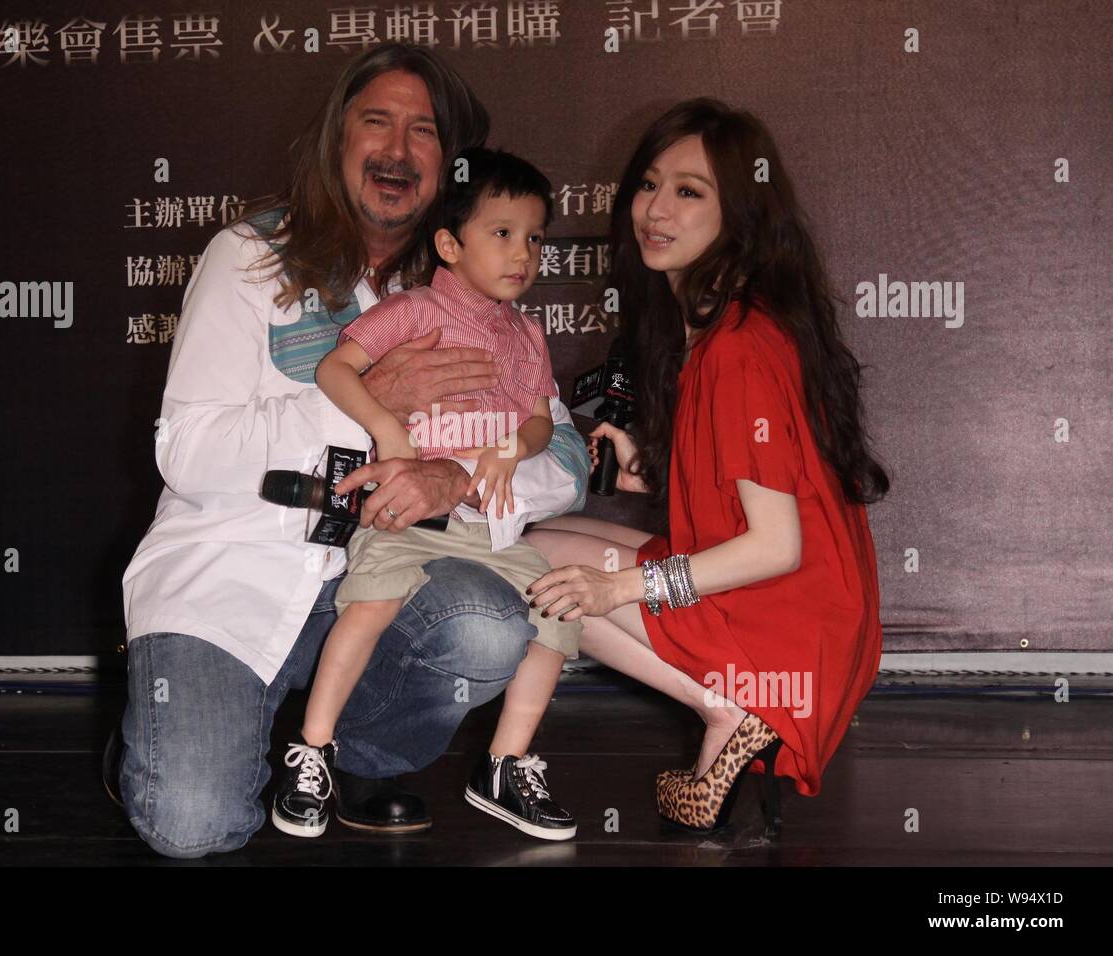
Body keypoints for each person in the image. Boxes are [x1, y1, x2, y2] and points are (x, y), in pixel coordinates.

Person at [114, 44, 590, 858]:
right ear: (338, 140)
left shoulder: (473, 286)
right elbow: (187, 448)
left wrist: (458, 475)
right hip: (237, 573)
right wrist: (370, 413)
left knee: (487, 625)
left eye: (424, 131)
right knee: (190, 822)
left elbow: (566, 462)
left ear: (452, 167)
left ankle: (360, 757)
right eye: (377, 123)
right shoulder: (250, 256)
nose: (398, 149)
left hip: (384, 574)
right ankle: (194, 733)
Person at [522, 98, 888, 833]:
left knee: (537, 564)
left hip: (789, 617)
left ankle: (728, 707)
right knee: (555, 539)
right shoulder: (731, 322)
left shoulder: (737, 347)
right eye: (650, 185)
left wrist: (620, 587)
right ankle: (732, 702)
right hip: (813, 609)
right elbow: (756, 483)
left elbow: (775, 544)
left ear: (742, 212)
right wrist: (657, 474)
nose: (654, 210)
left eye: (689, 192)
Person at [272, 147, 581, 842]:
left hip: (486, 529)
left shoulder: (528, 333)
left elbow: (538, 417)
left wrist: (512, 449)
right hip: (404, 511)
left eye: (534, 237)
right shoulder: (413, 310)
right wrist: (388, 430)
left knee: (557, 608)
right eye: (501, 233)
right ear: (449, 243)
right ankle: (314, 751)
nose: (522, 253)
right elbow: (336, 368)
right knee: (372, 600)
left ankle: (505, 763)